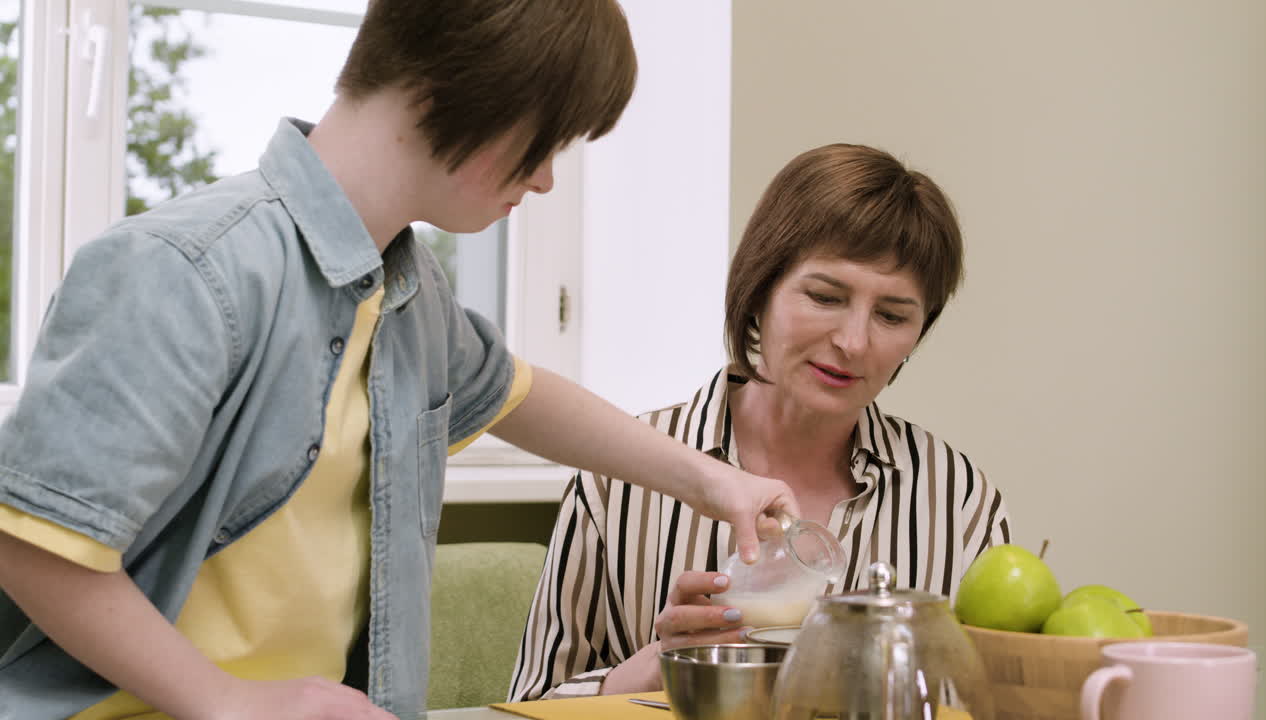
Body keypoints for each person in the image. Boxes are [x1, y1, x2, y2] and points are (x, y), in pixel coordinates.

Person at [0, 2, 799, 718]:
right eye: (543, 141)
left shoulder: (406, 291)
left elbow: (519, 394)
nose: (550, 179)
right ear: (455, 91)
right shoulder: (182, 271)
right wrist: (228, 701)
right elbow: (31, 547)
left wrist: (712, 480)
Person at [508, 143, 1013, 701]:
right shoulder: (616, 481)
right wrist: (660, 666)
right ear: (759, 291)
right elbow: (527, 707)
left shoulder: (958, 501)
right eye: (825, 296)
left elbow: (994, 705)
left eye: (892, 316)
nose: (853, 341)